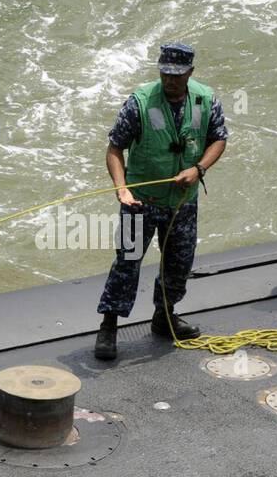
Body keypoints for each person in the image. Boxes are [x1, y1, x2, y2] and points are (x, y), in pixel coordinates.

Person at [94, 43, 228, 360]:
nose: (169, 80)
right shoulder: (139, 103)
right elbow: (115, 148)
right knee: (126, 263)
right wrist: (121, 189)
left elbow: (219, 138)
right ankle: (108, 326)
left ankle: (164, 318)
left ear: (190, 73)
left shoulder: (206, 100)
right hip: (140, 201)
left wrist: (199, 169)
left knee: (178, 263)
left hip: (182, 201)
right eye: (165, 73)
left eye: (177, 74)